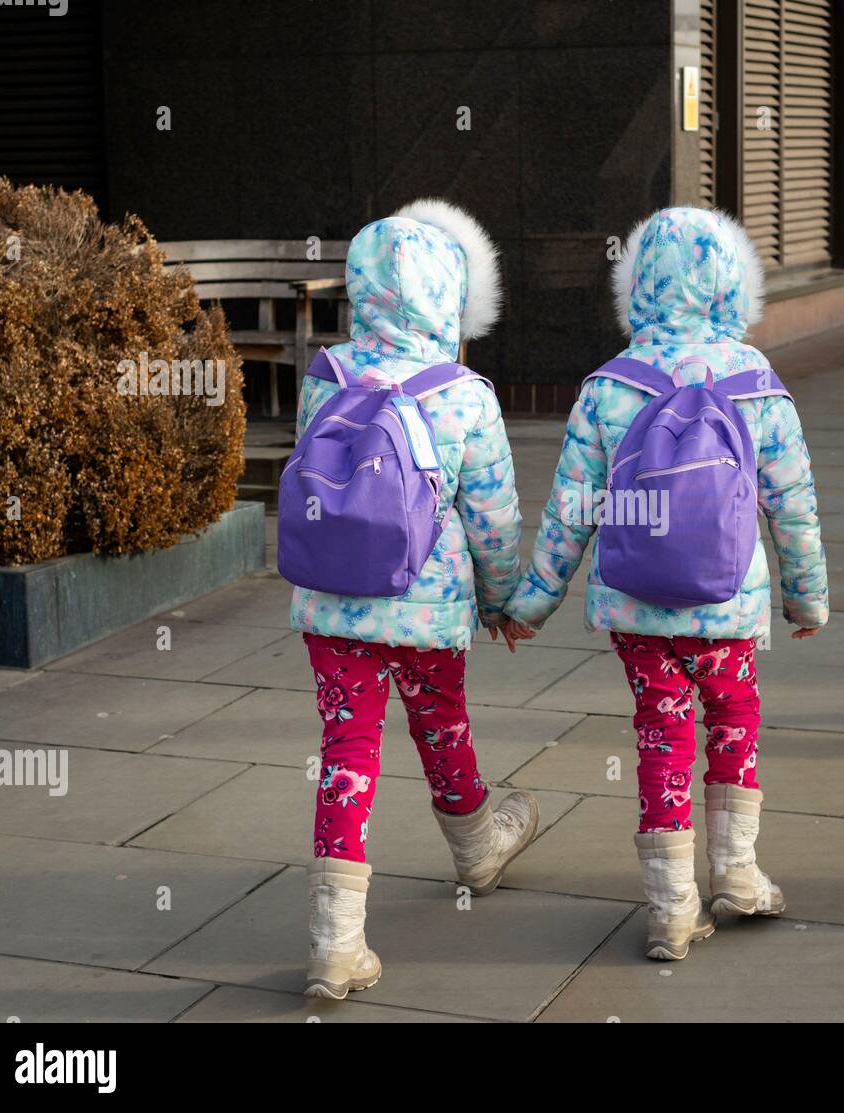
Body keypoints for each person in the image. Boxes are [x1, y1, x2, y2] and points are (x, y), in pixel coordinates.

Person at [501, 207, 829, 959]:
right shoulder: (756, 381)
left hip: (637, 607)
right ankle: (738, 871)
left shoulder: (609, 387)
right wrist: (805, 594)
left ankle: (670, 906)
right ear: (731, 288)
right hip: (728, 604)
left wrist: (531, 602)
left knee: (661, 735)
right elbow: (793, 501)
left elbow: (571, 509)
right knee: (734, 716)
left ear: (637, 288)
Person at [289, 201, 538, 996]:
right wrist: (501, 601)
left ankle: (337, 941)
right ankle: (475, 847)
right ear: (450, 301)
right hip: (427, 613)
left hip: (333, 606)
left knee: (347, 752)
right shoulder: (465, 393)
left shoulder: (325, 375)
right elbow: (492, 516)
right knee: (442, 726)